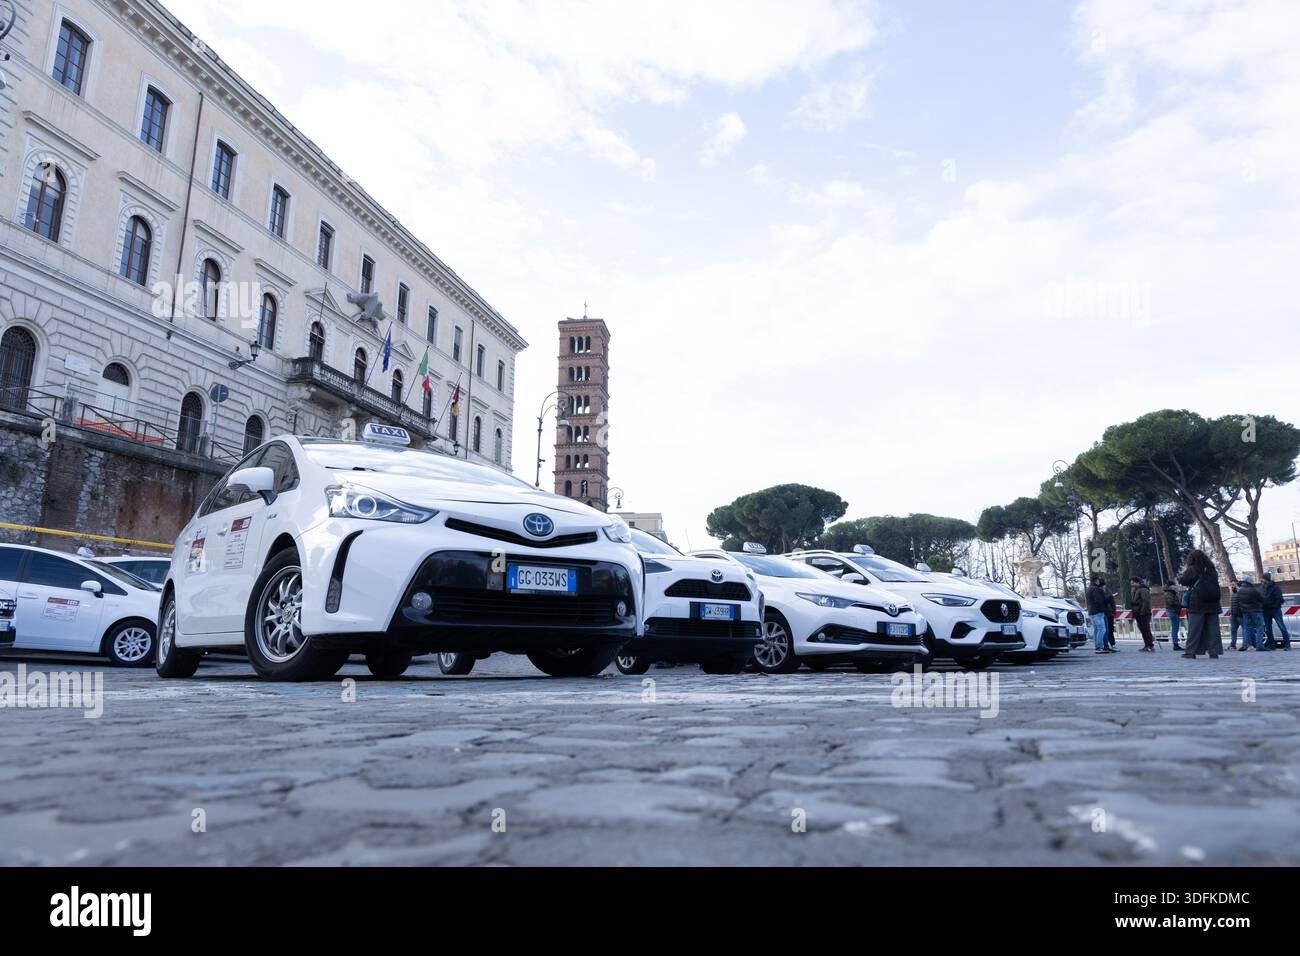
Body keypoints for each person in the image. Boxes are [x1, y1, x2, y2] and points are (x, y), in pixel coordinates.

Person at [1178, 548, 1222, 659]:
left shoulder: (1193, 569)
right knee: (1213, 629)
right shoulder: (1212, 570)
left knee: (1194, 629)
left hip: (1197, 603)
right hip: (1213, 603)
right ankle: (1214, 652)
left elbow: (1183, 581)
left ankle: (1191, 652)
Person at [1234, 575, 1266, 651]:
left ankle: (1245, 645)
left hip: (1245, 612)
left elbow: (1238, 601)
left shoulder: (1240, 591)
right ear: (1250, 581)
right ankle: (1259, 645)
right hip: (1256, 611)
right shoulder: (1253, 590)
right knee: (1260, 627)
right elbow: (1261, 599)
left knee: (1247, 628)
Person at [1260, 571, 1290, 650]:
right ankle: (1271, 645)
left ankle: (1287, 645)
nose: (1261, 581)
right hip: (1265, 611)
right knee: (1268, 628)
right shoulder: (1261, 588)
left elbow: (1280, 599)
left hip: (1275, 610)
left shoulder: (1275, 587)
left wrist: (1274, 606)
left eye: (1263, 580)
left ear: (1267, 580)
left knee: (1281, 626)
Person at [1086, 574, 1112, 654]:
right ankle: (1098, 647)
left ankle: (1097, 646)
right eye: (1098, 580)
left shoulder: (1089, 589)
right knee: (1102, 629)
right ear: (1096, 580)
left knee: (1097, 629)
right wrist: (1103, 609)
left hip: (1092, 611)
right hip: (1098, 612)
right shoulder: (1096, 589)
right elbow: (1099, 601)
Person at [1129, 576, 1154, 650]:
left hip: (1143, 613)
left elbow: (1146, 601)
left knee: (1146, 629)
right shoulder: (1135, 590)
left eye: (1133, 583)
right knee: (1143, 629)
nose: (1131, 584)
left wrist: (1142, 612)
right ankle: (1147, 645)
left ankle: (1149, 645)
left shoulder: (1143, 589)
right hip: (1138, 613)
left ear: (1137, 582)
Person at [1162, 581, 1183, 649]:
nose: (1176, 587)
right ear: (1170, 586)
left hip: (1173, 611)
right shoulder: (1169, 593)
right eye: (1174, 585)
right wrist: (1181, 605)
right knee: (1175, 629)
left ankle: (1175, 644)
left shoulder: (1171, 593)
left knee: (1175, 628)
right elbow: (1171, 602)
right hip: (1172, 611)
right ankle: (1175, 645)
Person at [1101, 580, 1118, 651]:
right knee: (1104, 630)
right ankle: (1105, 645)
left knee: (1110, 630)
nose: (1103, 587)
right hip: (1104, 613)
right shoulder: (1099, 592)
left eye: (1104, 585)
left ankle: (1112, 644)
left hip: (1109, 613)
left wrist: (1114, 611)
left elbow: (1113, 602)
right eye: (1102, 586)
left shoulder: (1108, 591)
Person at [1228, 584, 1241, 649]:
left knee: (1233, 630)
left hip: (1233, 614)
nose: (1232, 587)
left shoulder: (1233, 594)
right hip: (1238, 614)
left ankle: (1233, 644)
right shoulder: (1239, 594)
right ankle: (1246, 644)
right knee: (1245, 629)